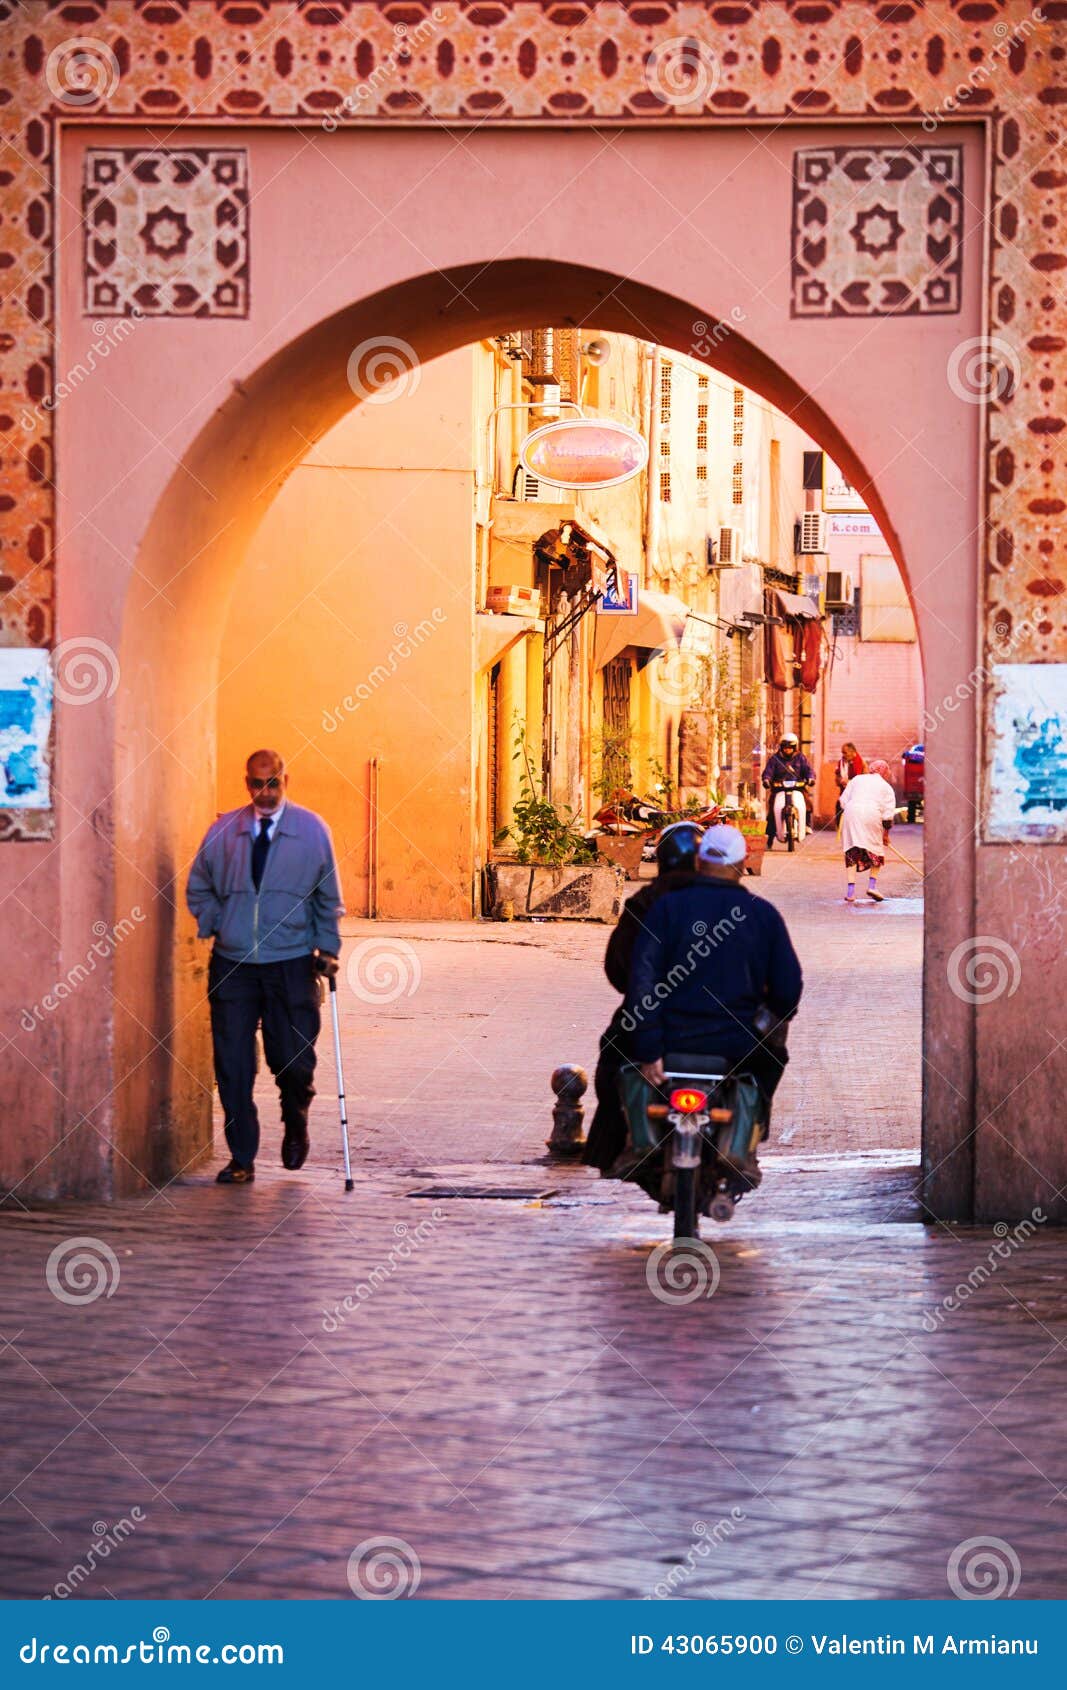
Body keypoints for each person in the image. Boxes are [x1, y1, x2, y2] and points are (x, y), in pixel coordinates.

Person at [186, 749, 344, 1184]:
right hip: (233, 965)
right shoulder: (224, 831)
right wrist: (216, 921)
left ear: (285, 780)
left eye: (272, 782)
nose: (265, 792)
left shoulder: (311, 831)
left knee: (292, 1060)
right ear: (246, 784)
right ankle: (242, 1158)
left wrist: (328, 948)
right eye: (257, 784)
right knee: (233, 1065)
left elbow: (328, 896)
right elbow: (198, 884)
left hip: (291, 962)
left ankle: (296, 1117)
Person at [626, 823, 803, 1138]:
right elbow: (788, 990)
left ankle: (626, 1145)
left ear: (699, 861)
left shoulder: (666, 909)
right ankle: (751, 1132)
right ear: (741, 864)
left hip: (670, 1040)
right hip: (738, 1044)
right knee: (774, 1057)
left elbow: (642, 980)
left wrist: (649, 1047)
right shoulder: (762, 915)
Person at [582, 820, 703, 1176]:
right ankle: (745, 1139)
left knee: (612, 1064)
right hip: (720, 1018)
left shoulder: (645, 903)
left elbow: (620, 970)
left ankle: (618, 1148)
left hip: (655, 1014)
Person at [839, 756, 897, 903]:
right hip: (873, 814)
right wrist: (885, 835)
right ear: (885, 772)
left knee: (851, 850)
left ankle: (850, 892)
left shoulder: (857, 779)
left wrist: (853, 810)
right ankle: (872, 886)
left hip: (851, 813)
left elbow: (843, 801)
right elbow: (888, 816)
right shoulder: (886, 787)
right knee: (876, 850)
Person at [761, 733, 815, 847]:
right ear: (781, 747)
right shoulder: (775, 759)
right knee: (772, 810)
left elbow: (809, 770)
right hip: (778, 789)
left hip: (798, 788)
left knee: (808, 804)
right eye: (785, 747)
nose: (787, 750)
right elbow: (768, 772)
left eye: (790, 747)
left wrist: (811, 778)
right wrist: (766, 780)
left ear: (795, 747)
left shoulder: (801, 758)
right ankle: (770, 838)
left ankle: (807, 825)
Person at [834, 741, 866, 823]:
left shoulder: (861, 763)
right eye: (842, 753)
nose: (843, 755)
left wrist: (850, 782)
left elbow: (864, 781)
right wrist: (840, 780)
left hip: (857, 796)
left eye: (845, 753)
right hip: (844, 794)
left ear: (853, 752)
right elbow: (837, 776)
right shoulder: (841, 762)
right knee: (839, 809)